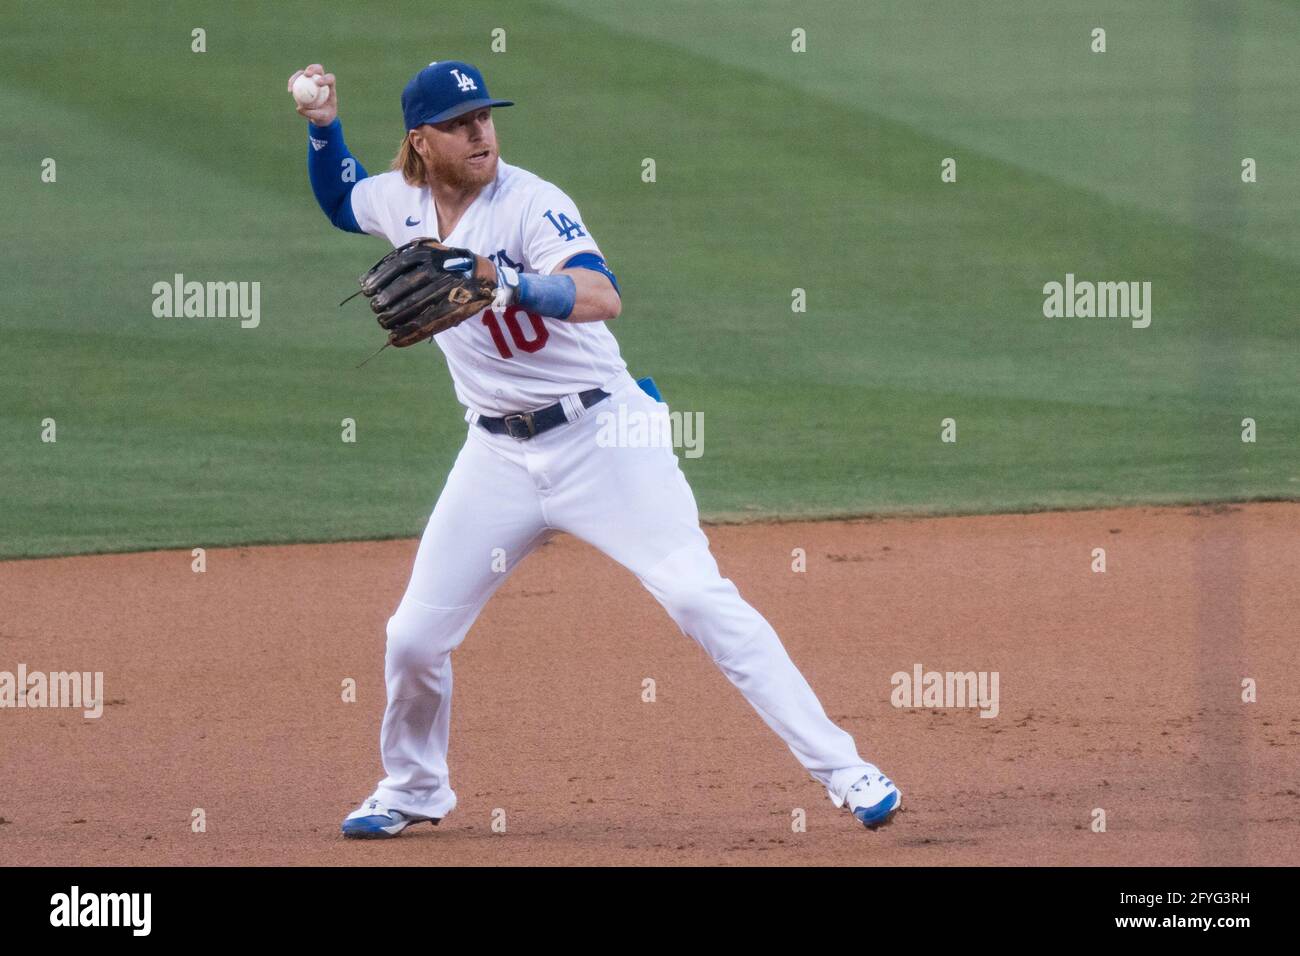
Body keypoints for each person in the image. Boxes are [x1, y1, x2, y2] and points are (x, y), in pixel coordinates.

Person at [286, 59, 902, 838]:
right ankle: (412, 788)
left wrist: (508, 284)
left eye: (486, 116)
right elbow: (343, 200)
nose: (481, 132)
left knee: (695, 595)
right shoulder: (401, 201)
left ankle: (847, 771)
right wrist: (321, 128)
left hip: (605, 436)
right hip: (497, 457)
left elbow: (602, 293)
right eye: (460, 123)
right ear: (421, 141)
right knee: (412, 637)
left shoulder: (531, 203)